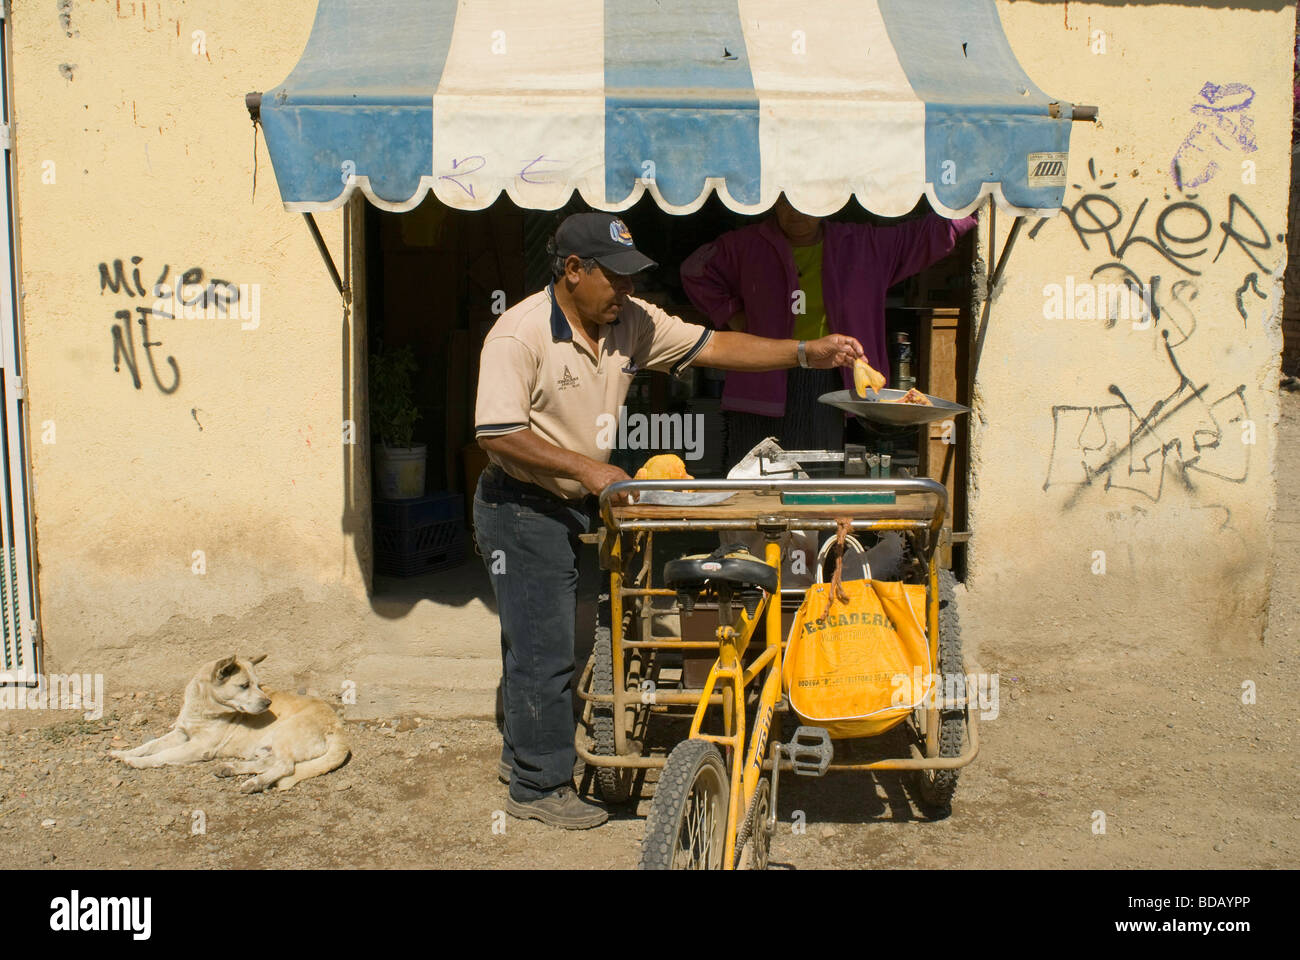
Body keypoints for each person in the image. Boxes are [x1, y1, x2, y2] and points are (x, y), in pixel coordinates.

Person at [472, 212, 863, 829]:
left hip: (579, 499)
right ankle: (537, 787)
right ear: (573, 271)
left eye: (632, 279)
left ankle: (523, 752)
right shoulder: (518, 333)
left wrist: (804, 353)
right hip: (521, 504)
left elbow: (713, 344)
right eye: (614, 278)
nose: (625, 291)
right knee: (542, 645)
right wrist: (589, 468)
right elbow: (497, 432)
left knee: (556, 637)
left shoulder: (631, 321)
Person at [680, 195, 978, 465]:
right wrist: (732, 314)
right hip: (760, 378)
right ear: (773, 202)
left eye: (804, 200)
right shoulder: (745, 245)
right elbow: (694, 270)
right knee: (753, 480)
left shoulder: (862, 245)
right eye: (785, 201)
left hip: (825, 382)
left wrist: (976, 198)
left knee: (815, 482)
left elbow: (931, 235)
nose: (795, 210)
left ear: (827, 203)